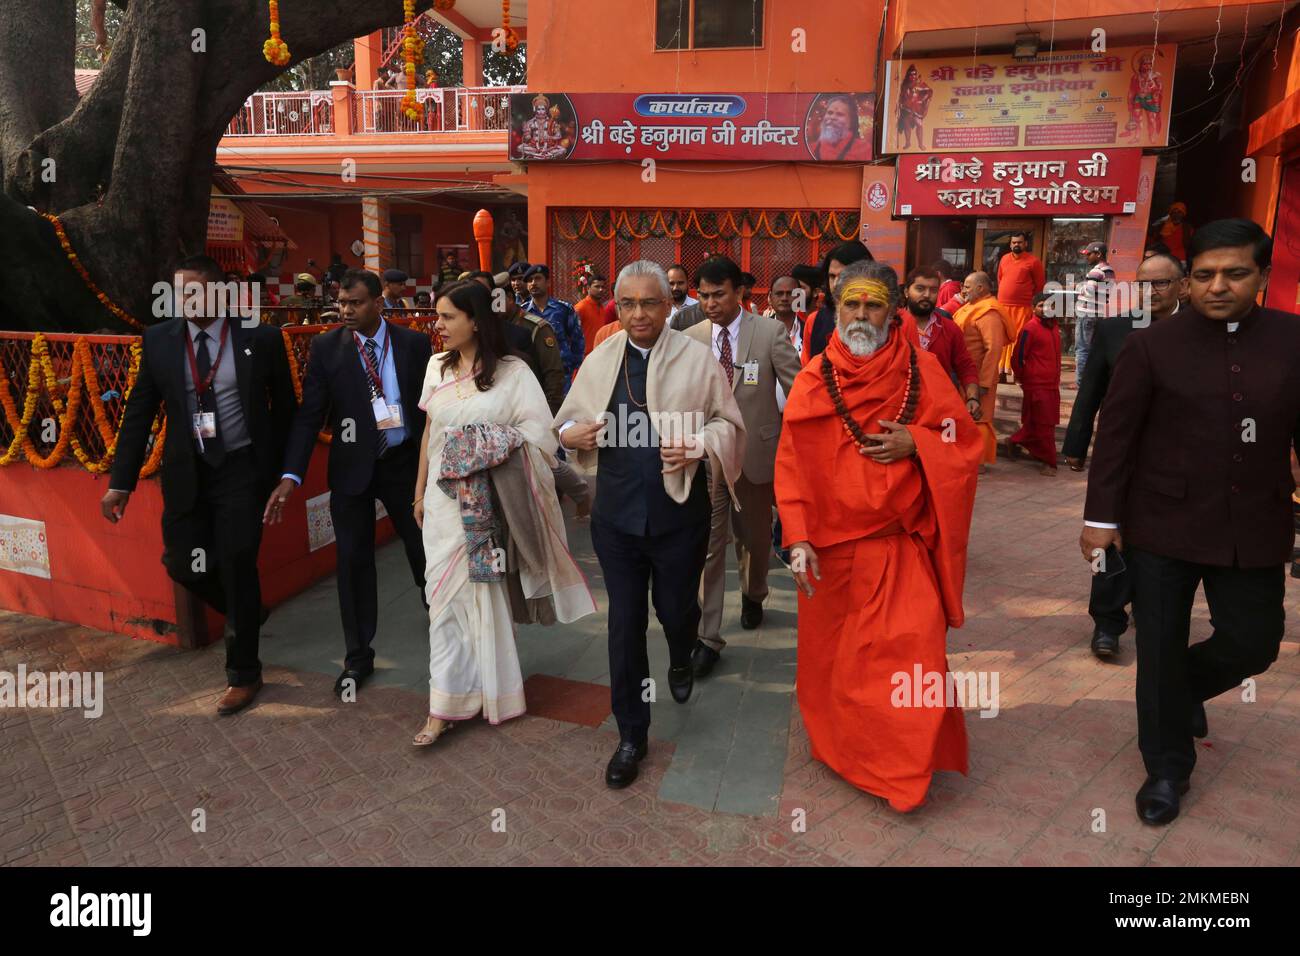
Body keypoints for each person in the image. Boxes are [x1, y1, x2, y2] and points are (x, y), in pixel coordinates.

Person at [1080, 218, 1300, 825]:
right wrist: (1100, 518)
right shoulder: (1152, 346)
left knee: (1254, 643)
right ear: (1187, 281)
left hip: (1254, 522)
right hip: (1161, 526)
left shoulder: (1292, 340)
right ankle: (1167, 768)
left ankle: (1180, 694)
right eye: (1204, 275)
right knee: (1157, 648)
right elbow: (1116, 437)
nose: (1218, 287)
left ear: (1263, 275)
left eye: (1235, 274)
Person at [775, 260, 982, 811]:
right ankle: (848, 752)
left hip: (899, 547)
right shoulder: (813, 378)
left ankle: (903, 771)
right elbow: (791, 464)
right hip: (831, 553)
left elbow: (964, 441)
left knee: (914, 656)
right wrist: (796, 539)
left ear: (893, 314)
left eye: (873, 306)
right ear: (835, 309)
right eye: (852, 304)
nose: (861, 315)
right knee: (837, 668)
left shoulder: (924, 369)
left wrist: (918, 443)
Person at [556, 260, 744, 789]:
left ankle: (682, 656)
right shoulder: (601, 356)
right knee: (625, 627)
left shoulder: (696, 359)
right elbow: (565, 420)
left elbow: (728, 425)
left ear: (668, 306)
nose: (640, 314)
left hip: (678, 515)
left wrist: (700, 444)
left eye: (651, 303)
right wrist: (574, 435)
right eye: (630, 303)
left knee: (676, 611)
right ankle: (632, 734)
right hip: (615, 518)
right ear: (620, 306)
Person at [102, 255, 296, 715]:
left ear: (218, 292)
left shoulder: (260, 338)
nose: (183, 301)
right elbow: (138, 414)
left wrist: (287, 474)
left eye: (192, 292)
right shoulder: (159, 341)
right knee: (183, 564)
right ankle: (246, 610)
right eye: (177, 293)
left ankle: (243, 675)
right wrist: (121, 483)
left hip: (242, 470)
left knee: (236, 561)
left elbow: (286, 410)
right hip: (187, 471)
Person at [411, 281, 595, 745]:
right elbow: (431, 432)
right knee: (442, 600)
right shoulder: (436, 367)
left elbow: (540, 436)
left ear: (476, 320)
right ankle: (446, 703)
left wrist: (487, 441)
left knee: (483, 596)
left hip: (488, 503)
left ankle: (496, 692)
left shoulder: (513, 372)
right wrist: (418, 494)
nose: (439, 325)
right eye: (438, 316)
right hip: (440, 502)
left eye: (447, 316)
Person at [266, 269, 432, 696]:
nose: (345, 311)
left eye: (355, 303)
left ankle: (447, 637)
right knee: (353, 564)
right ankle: (358, 657)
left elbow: (431, 408)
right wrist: (290, 474)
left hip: (404, 467)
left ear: (378, 302)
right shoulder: (327, 347)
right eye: (341, 303)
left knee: (425, 556)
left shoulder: (414, 344)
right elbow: (310, 415)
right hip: (353, 469)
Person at [1062, 252, 1186, 659]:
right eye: (1143, 284)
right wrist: (1076, 444)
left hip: (1183, 461)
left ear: (1182, 286)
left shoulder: (1201, 329)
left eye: (1161, 283)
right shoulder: (1116, 329)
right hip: (1124, 457)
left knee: (1162, 545)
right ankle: (1107, 622)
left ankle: (1154, 612)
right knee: (1107, 539)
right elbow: (1092, 389)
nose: (1150, 292)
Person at [684, 257, 801, 677]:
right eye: (704, 295)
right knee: (710, 547)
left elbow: (798, 391)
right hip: (709, 460)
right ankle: (708, 636)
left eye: (719, 294)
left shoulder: (769, 333)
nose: (711, 303)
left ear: (739, 293)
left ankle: (754, 594)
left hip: (755, 458)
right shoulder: (690, 338)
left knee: (754, 540)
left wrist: (800, 447)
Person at [901, 266, 980, 417]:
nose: (926, 295)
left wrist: (972, 397)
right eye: (920, 288)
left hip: (938, 408)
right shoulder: (892, 326)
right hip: (898, 407)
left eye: (933, 290)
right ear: (906, 292)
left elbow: (966, 366)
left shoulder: (949, 328)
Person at [952, 272, 1008, 466]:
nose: (963, 290)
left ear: (981, 288)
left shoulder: (988, 312)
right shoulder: (970, 307)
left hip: (978, 376)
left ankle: (979, 461)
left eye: (967, 286)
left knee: (979, 418)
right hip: (963, 374)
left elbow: (993, 350)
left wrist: (983, 382)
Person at [1004, 293, 1062, 476]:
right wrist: (1024, 379)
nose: (1046, 309)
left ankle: (1014, 440)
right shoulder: (1029, 329)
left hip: (1052, 385)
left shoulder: (1054, 328)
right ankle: (1049, 462)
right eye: (1042, 305)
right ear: (1033, 308)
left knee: (1038, 422)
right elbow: (1017, 358)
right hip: (1036, 385)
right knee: (1045, 424)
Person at [804, 240, 874, 359]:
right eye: (832, 276)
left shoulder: (897, 321)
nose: (836, 284)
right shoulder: (815, 321)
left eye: (844, 276)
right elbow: (806, 372)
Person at [523, 264, 584, 387]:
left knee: (562, 406)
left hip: (562, 375)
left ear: (548, 282)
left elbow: (577, 340)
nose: (533, 283)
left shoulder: (564, 309)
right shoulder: (521, 312)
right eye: (530, 280)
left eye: (538, 278)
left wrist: (573, 367)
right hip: (531, 376)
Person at [995, 231, 1045, 378]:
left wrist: (1029, 301)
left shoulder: (1034, 262)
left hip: (1023, 307)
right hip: (1003, 306)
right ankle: (1001, 372)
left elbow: (1039, 286)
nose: (1017, 244)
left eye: (1020, 242)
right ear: (1010, 244)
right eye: (1014, 242)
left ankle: (1017, 372)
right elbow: (1000, 279)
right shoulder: (1004, 259)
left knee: (1019, 339)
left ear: (1025, 244)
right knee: (1002, 337)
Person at [1074, 241, 1115, 387]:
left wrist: (1079, 287)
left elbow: (1089, 291)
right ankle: (1090, 382)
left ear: (1098, 254)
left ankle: (1081, 383)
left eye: (1089, 254)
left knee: (1082, 350)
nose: (1087, 257)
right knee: (1092, 349)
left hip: (1087, 314)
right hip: (1098, 314)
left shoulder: (1096, 271)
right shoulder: (1109, 270)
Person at [810, 94, 873, 161]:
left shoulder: (864, 149)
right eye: (830, 113)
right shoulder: (811, 148)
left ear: (851, 121)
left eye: (839, 114)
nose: (832, 117)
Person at [574, 271, 610, 358]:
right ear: (588, 288)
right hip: (584, 358)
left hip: (600, 354)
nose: (601, 290)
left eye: (603, 287)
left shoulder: (602, 307)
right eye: (597, 287)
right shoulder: (580, 308)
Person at [768, 274, 804, 359]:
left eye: (790, 293)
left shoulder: (810, 331)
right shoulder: (758, 331)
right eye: (779, 293)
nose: (784, 298)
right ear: (770, 297)